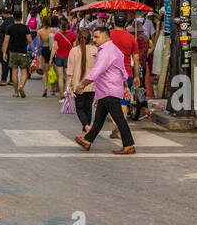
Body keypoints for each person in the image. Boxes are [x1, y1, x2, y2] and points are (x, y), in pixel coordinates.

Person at [73, 25, 135, 154]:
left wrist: (82, 85)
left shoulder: (107, 51)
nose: (94, 39)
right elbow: (122, 70)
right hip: (108, 89)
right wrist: (125, 87)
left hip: (109, 89)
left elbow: (96, 71)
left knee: (118, 118)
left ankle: (129, 145)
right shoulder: (114, 49)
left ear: (106, 37)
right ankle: (88, 141)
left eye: (97, 37)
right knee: (99, 119)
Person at [67, 28, 97, 130]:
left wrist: (68, 87)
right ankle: (86, 130)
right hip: (91, 85)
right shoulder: (95, 50)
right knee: (88, 108)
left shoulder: (73, 51)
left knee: (80, 108)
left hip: (78, 85)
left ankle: (86, 126)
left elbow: (70, 72)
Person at [2, 11, 31, 99]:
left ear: (14, 17)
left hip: (13, 53)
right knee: (24, 72)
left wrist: (4, 53)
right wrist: (34, 51)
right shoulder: (25, 28)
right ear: (21, 17)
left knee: (14, 73)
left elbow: (6, 41)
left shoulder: (9, 28)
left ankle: (15, 92)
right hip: (23, 53)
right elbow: (29, 40)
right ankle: (21, 86)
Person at [50, 17, 74, 91]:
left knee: (60, 77)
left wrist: (51, 59)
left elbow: (54, 48)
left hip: (59, 57)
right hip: (68, 57)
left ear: (59, 25)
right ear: (67, 25)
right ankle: (68, 94)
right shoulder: (72, 34)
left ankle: (61, 95)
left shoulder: (57, 35)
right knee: (68, 77)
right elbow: (75, 47)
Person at [37, 12, 54, 97]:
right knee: (52, 71)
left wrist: (39, 53)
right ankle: (52, 90)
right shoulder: (52, 30)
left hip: (44, 50)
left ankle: (45, 87)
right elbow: (54, 42)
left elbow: (39, 44)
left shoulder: (40, 32)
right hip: (51, 50)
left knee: (45, 72)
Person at [0, 8, 14, 85]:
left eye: (1, 14)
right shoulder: (12, 21)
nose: (1, 16)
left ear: (3, 13)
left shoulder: (7, 21)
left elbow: (7, 36)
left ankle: (4, 79)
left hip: (5, 45)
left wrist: (3, 48)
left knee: (4, 63)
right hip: (10, 45)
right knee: (10, 63)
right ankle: (11, 79)